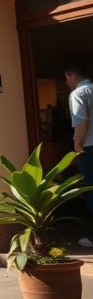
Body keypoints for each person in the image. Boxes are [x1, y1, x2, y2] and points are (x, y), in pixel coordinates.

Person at [65, 63, 93, 248]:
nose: (66, 82)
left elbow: (81, 121)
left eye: (66, 79)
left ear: (71, 75)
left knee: (90, 190)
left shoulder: (78, 94)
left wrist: (77, 143)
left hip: (89, 147)